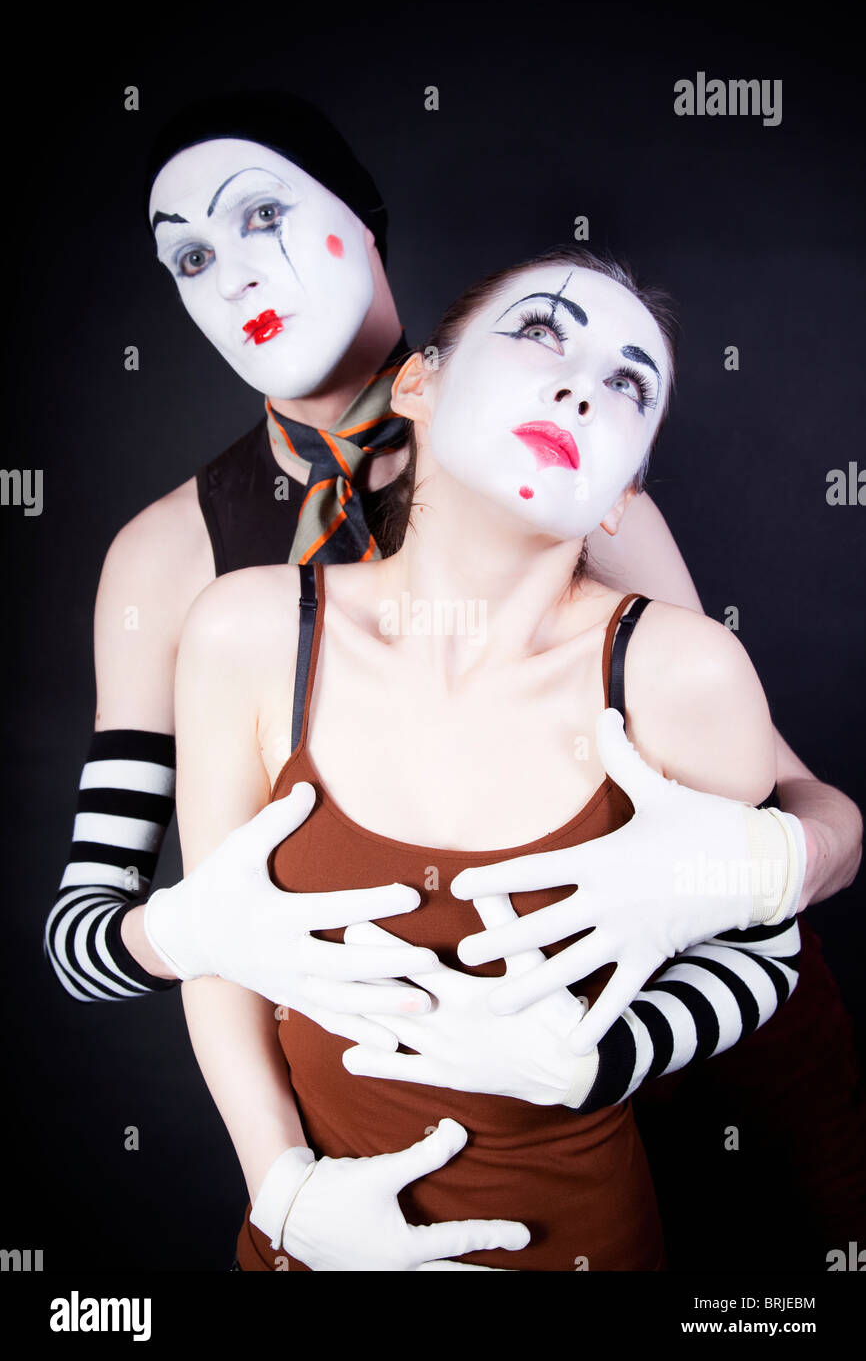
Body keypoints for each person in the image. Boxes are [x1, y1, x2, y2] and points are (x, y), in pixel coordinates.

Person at [43, 91, 863, 1263]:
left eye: (263, 214)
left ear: (362, 224)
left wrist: (767, 864)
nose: (230, 276)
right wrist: (270, 1163)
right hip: (394, 1127)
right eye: (188, 254)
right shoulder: (177, 565)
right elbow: (85, 937)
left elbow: (794, 805)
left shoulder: (552, 447)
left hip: (686, 1056)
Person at [171, 250, 802, 1270]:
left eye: (626, 384)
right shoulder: (247, 632)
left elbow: (766, 953)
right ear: (418, 382)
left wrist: (604, 1058)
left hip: (573, 1242)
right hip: (303, 1248)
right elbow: (213, 949)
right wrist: (282, 1190)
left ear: (620, 496)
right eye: (540, 335)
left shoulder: (683, 675)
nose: (578, 389)